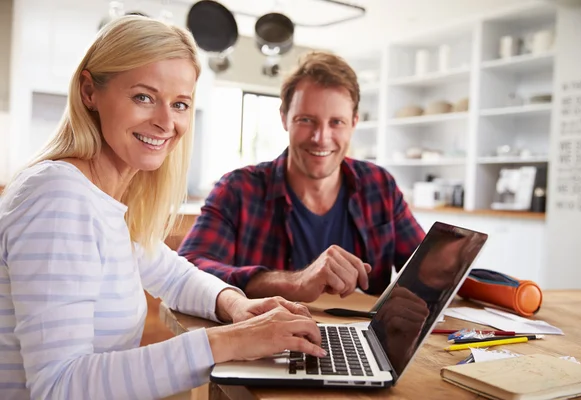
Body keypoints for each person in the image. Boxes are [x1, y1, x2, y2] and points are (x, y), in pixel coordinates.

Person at [0, 16, 324, 400]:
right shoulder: (60, 198)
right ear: (90, 91)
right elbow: (59, 385)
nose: (166, 122)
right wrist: (231, 342)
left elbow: (173, 276)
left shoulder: (106, 197)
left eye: (180, 103)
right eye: (144, 97)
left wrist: (238, 305)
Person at [178, 51, 425, 302]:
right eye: (306, 120)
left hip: (362, 339)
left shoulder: (380, 185)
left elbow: (426, 270)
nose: (321, 137)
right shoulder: (238, 189)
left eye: (336, 122)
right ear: (284, 118)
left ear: (354, 122)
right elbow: (187, 271)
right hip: (266, 338)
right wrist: (293, 282)